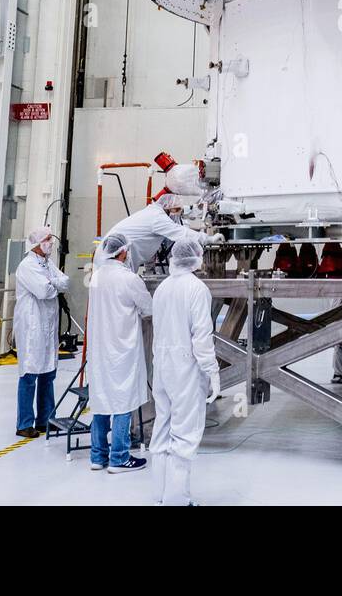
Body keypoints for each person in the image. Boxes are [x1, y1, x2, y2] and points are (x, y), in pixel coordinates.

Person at [149, 237, 220, 505]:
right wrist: (212, 370)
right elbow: (201, 337)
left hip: (162, 365)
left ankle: (160, 494)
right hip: (185, 367)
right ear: (195, 258)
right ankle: (178, 500)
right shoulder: (197, 289)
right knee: (185, 433)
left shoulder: (163, 288)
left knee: (162, 428)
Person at [88, 234, 153, 473]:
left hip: (100, 347)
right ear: (123, 252)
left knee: (101, 399)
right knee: (122, 400)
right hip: (122, 347)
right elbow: (148, 308)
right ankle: (119, 457)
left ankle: (97, 456)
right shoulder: (129, 279)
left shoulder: (96, 276)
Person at [13, 227, 70, 438]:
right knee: (29, 374)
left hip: (47, 324)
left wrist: (53, 284)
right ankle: (24, 423)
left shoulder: (47, 263)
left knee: (48, 372)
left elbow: (66, 281)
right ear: (36, 243)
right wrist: (54, 285)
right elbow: (43, 291)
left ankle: (45, 419)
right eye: (47, 239)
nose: (50, 243)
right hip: (32, 325)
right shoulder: (27, 266)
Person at [96, 192, 223, 273]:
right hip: (111, 260)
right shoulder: (157, 218)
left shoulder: (153, 213)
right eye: (177, 210)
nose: (178, 214)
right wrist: (208, 239)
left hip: (111, 259)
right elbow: (181, 233)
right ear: (168, 208)